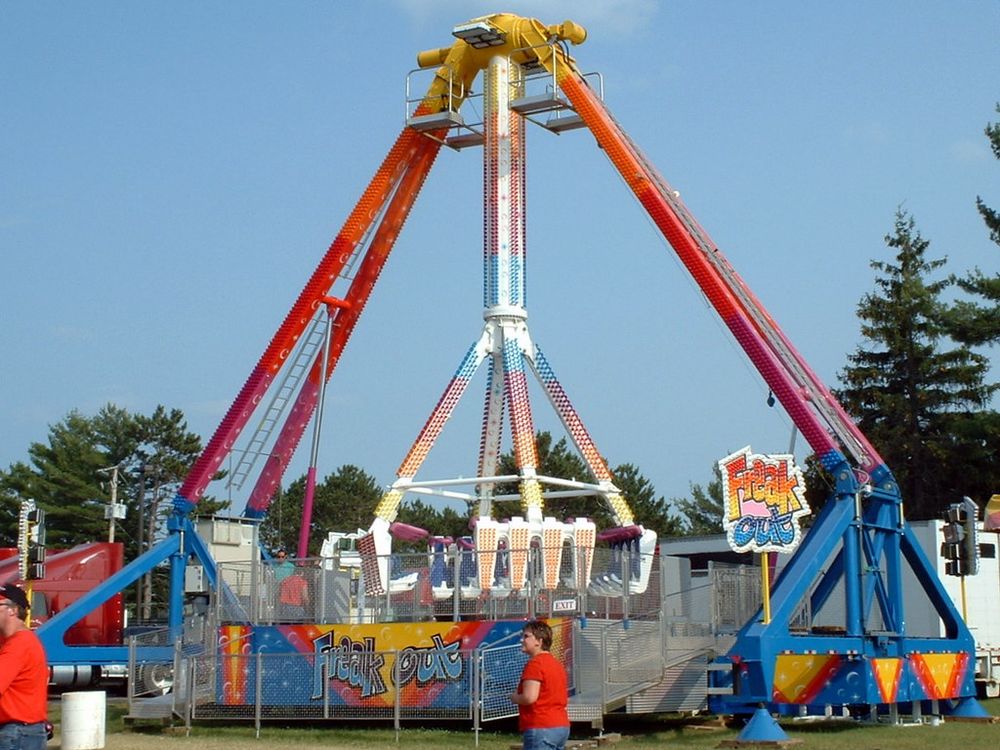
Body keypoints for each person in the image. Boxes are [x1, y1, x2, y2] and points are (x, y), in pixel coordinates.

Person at [0, 584, 48, 750]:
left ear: (12, 610)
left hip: (16, 733)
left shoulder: (18, 645)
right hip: (22, 732)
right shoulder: (17, 642)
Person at [510, 619, 570, 750]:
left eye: (526, 636)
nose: (521, 640)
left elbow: (529, 697)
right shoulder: (557, 664)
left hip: (541, 726)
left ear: (539, 641)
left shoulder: (535, 664)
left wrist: (514, 698)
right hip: (561, 726)